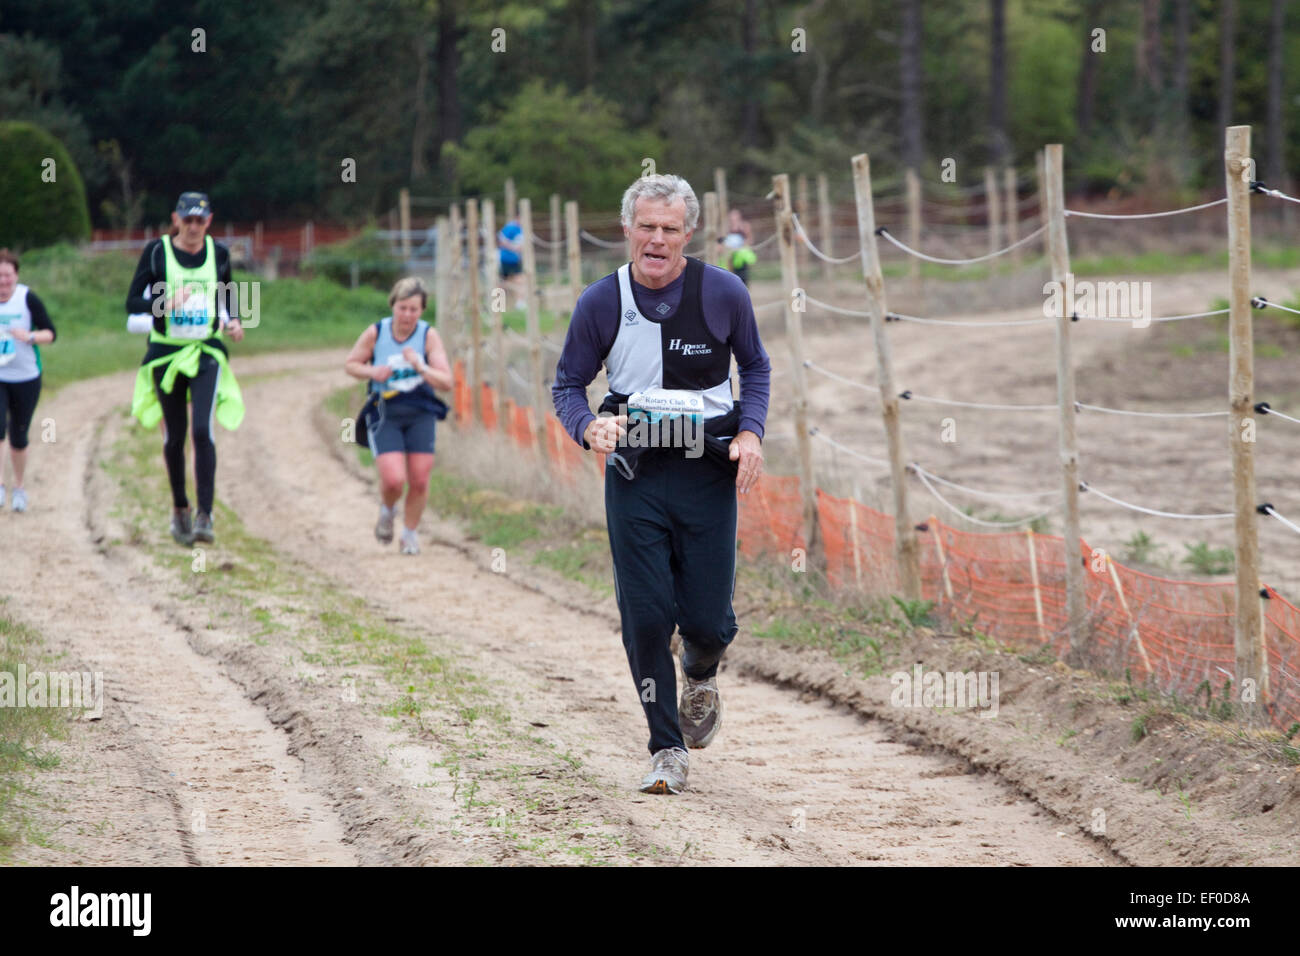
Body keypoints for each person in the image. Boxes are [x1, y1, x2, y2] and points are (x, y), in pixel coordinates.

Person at [552, 174, 770, 795]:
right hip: (637, 475)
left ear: (688, 234)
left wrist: (750, 433)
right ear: (627, 229)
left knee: (707, 619)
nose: (656, 239)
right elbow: (567, 384)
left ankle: (701, 670)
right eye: (645, 226)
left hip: (707, 470)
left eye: (669, 229)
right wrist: (587, 425)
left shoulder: (723, 292)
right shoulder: (601, 301)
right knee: (645, 615)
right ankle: (666, 747)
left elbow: (754, 365)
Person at [124, 191, 245, 545]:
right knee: (175, 436)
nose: (193, 227)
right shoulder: (157, 252)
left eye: (200, 220)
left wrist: (234, 320)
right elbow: (132, 301)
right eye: (187, 220)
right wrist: (162, 302)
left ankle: (205, 514)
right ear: (176, 219)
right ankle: (180, 509)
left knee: (202, 431)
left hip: (206, 351)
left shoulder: (219, 253)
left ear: (209, 221)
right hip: (165, 353)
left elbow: (227, 293)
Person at [343, 276, 451, 555]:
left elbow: (446, 381)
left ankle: (409, 535)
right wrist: (372, 372)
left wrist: (420, 366)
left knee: (420, 479)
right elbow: (351, 364)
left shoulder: (428, 335)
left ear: (422, 310)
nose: (407, 315)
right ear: (393, 306)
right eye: (402, 308)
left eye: (414, 309)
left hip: (421, 410)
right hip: (384, 411)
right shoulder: (377, 332)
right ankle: (388, 509)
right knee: (393, 479)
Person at [0, 249, 57, 513]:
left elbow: (51, 333)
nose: (3, 281)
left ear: (16, 275)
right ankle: (0, 485)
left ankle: (19, 488)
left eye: (7, 276)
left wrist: (30, 337)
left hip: (26, 377)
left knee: (18, 435)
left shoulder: (27, 298)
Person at [497, 218, 526, 309]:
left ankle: (520, 303)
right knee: (501, 282)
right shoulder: (511, 227)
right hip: (505, 259)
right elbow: (501, 240)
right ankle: (498, 304)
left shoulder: (521, 228)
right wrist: (513, 247)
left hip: (515, 259)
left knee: (520, 280)